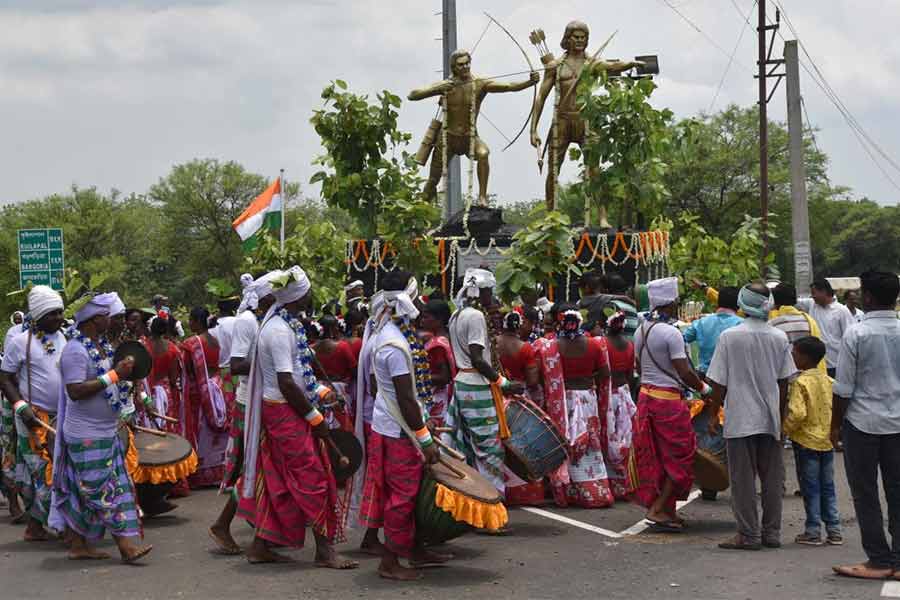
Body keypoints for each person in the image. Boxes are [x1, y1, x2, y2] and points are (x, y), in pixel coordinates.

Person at [237, 266, 358, 569]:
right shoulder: (278, 330)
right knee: (313, 478)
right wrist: (315, 417)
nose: (312, 294)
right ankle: (325, 551)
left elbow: (298, 376)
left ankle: (259, 546)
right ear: (298, 296)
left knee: (279, 479)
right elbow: (286, 383)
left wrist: (319, 391)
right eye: (308, 290)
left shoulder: (287, 324)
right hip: (283, 411)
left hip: (286, 407)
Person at [359, 271, 451, 580]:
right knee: (403, 496)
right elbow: (405, 399)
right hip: (400, 430)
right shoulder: (394, 345)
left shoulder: (389, 336)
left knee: (410, 492)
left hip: (397, 424)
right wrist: (424, 438)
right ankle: (389, 562)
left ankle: (414, 550)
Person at [51, 293, 152, 563]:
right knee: (105, 491)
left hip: (105, 430)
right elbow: (75, 391)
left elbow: (112, 381)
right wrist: (115, 374)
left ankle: (78, 546)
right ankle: (125, 547)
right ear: (95, 320)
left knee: (89, 491)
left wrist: (126, 375)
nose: (113, 321)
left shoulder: (103, 346)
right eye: (109, 316)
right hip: (85, 433)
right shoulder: (75, 350)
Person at [707, 283, 796, 550]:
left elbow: (718, 383)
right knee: (771, 479)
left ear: (742, 304)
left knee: (742, 479)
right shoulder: (779, 338)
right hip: (770, 417)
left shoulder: (730, 337)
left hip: (740, 417)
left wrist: (713, 414)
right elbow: (784, 382)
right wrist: (779, 418)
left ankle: (748, 534)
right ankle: (772, 533)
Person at [831, 271, 900, 580]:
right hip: (897, 422)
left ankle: (879, 559)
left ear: (868, 297)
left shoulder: (857, 334)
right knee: (897, 491)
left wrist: (834, 426)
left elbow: (843, 387)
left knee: (865, 493)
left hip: (862, 423)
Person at [630, 277, 710, 531]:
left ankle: (666, 511)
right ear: (672, 303)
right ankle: (658, 508)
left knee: (655, 455)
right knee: (679, 456)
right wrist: (704, 389)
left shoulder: (640, 329)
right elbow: (684, 372)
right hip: (667, 402)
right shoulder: (671, 333)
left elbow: (638, 367)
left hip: (645, 397)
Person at [209, 272, 275, 556]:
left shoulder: (267, 319)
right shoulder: (248, 321)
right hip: (250, 402)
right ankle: (222, 525)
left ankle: (264, 528)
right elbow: (236, 365)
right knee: (255, 466)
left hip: (266, 399)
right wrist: (272, 362)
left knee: (263, 466)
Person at [445, 269, 523, 493]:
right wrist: (504, 383)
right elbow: (478, 359)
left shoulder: (457, 315)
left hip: (464, 382)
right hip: (476, 385)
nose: (492, 297)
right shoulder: (476, 316)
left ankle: (476, 502)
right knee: (490, 450)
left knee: (470, 448)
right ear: (478, 292)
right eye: (489, 291)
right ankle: (492, 506)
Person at [0, 286, 67, 541]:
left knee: (61, 472)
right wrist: (20, 406)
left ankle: (37, 527)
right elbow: (4, 378)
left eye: (60, 312)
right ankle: (62, 527)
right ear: (38, 317)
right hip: (32, 418)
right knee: (43, 473)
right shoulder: (20, 342)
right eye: (52, 314)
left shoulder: (68, 338)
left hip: (63, 417)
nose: (59, 318)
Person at [534, 305, 615, 508]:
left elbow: (543, 378)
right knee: (590, 443)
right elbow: (605, 374)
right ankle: (594, 491)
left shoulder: (550, 347)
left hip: (562, 401)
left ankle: (567, 491)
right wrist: (588, 377)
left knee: (565, 441)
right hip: (588, 398)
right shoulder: (595, 346)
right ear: (579, 322)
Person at [783, 336, 842, 546]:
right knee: (828, 486)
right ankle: (834, 530)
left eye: (795, 353)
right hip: (826, 441)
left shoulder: (800, 382)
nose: (792, 356)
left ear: (805, 358)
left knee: (810, 487)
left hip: (806, 442)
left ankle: (813, 530)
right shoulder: (829, 381)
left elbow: (798, 413)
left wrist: (785, 429)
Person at [181, 306, 230, 488]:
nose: (189, 323)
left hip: (199, 391)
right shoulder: (215, 341)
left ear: (195, 321)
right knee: (215, 432)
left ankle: (200, 474)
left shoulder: (191, 343)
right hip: (217, 387)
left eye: (190, 320)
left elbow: (188, 369)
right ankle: (218, 471)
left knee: (200, 429)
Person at [604, 310, 637, 500]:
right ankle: (625, 481)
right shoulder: (629, 345)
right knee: (625, 438)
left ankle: (610, 480)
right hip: (624, 394)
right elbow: (631, 375)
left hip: (608, 394)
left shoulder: (602, 344)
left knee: (609, 436)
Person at [797, 279, 856, 377]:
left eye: (814, 293)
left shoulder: (842, 311)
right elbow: (793, 301)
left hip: (835, 364)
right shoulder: (812, 305)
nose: (812, 296)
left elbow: (849, 337)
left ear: (824, 291)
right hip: (816, 365)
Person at [682, 286, 742, 378]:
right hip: (732, 376)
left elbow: (680, 339)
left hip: (706, 376)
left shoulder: (701, 323)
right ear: (739, 304)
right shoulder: (741, 324)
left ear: (718, 302)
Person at [420, 300, 457, 427]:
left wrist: (418, 377)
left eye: (426, 317)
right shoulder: (445, 337)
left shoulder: (438, 345)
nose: (422, 320)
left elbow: (443, 377)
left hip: (437, 398)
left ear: (439, 319)